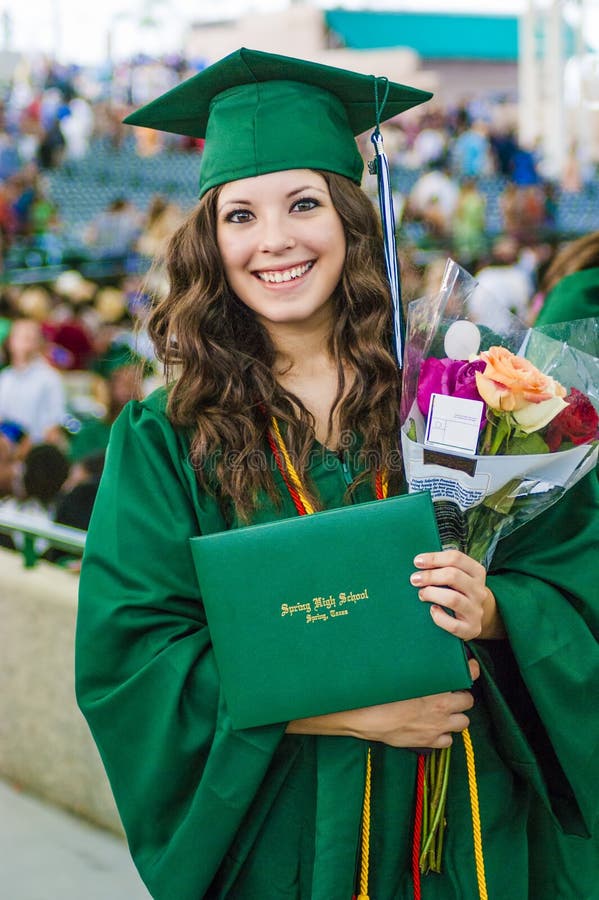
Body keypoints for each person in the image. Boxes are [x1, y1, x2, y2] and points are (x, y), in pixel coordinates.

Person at [75, 49, 598, 900]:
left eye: (304, 204)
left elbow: (579, 573)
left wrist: (501, 611)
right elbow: (131, 660)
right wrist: (344, 711)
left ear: (354, 220)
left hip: (474, 815)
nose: (273, 239)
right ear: (210, 238)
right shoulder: (165, 434)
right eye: (239, 215)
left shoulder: (459, 393)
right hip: (288, 826)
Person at [0, 318, 67, 445]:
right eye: (21, 336)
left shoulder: (50, 378)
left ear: (39, 343)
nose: (26, 341)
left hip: (36, 451)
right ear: (9, 342)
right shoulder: (5, 378)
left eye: (31, 336)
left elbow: (54, 426)